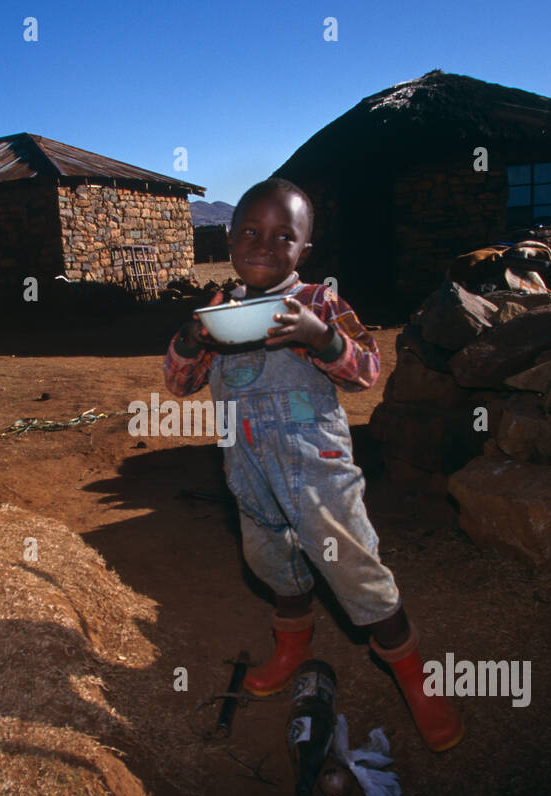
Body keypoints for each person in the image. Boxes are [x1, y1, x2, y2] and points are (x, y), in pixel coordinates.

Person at [163, 178, 464, 752]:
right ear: (229, 237)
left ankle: (416, 677)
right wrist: (189, 335)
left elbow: (366, 371)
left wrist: (321, 338)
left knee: (354, 569)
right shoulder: (217, 312)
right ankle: (291, 649)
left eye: (284, 237)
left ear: (304, 252)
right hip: (248, 473)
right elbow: (179, 383)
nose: (264, 245)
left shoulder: (319, 303)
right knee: (272, 562)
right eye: (250, 231)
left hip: (318, 473)